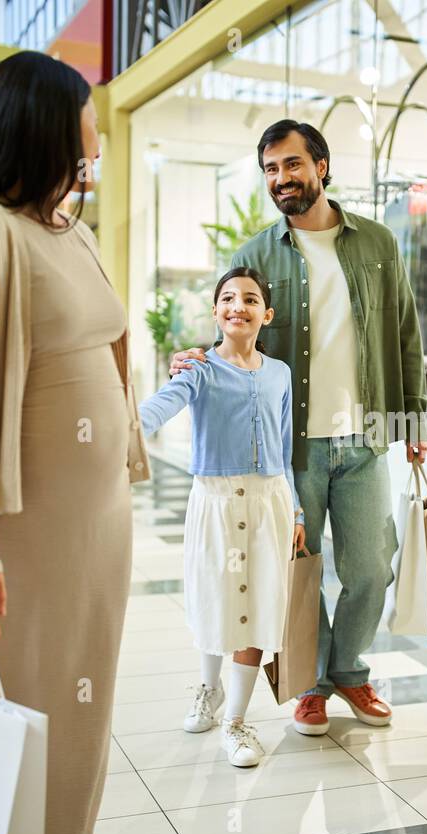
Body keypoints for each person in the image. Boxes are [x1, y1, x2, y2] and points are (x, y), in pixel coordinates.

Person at [0, 50, 150, 834]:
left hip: (99, 526)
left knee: (81, 706)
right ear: (42, 123)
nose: (95, 130)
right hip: (27, 531)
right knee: (13, 705)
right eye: (85, 114)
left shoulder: (69, 227)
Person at [169, 120, 427, 736]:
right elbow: (234, 336)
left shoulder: (378, 245)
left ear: (321, 165)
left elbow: (405, 332)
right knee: (300, 569)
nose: (280, 179)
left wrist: (413, 417)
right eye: (270, 170)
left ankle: (351, 671)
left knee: (371, 566)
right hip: (292, 448)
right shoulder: (257, 255)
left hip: (364, 436)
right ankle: (310, 683)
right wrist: (195, 362)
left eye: (291, 165)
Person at [139, 267, 305, 767]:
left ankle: (235, 720)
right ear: (215, 312)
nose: (239, 306)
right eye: (228, 298)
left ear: (266, 315)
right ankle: (208, 691)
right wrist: (122, 424)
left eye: (251, 299)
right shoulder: (198, 368)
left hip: (269, 501)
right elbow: (161, 407)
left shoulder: (279, 373)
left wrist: (294, 509)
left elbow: (284, 446)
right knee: (215, 599)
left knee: (259, 609)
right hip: (215, 501)